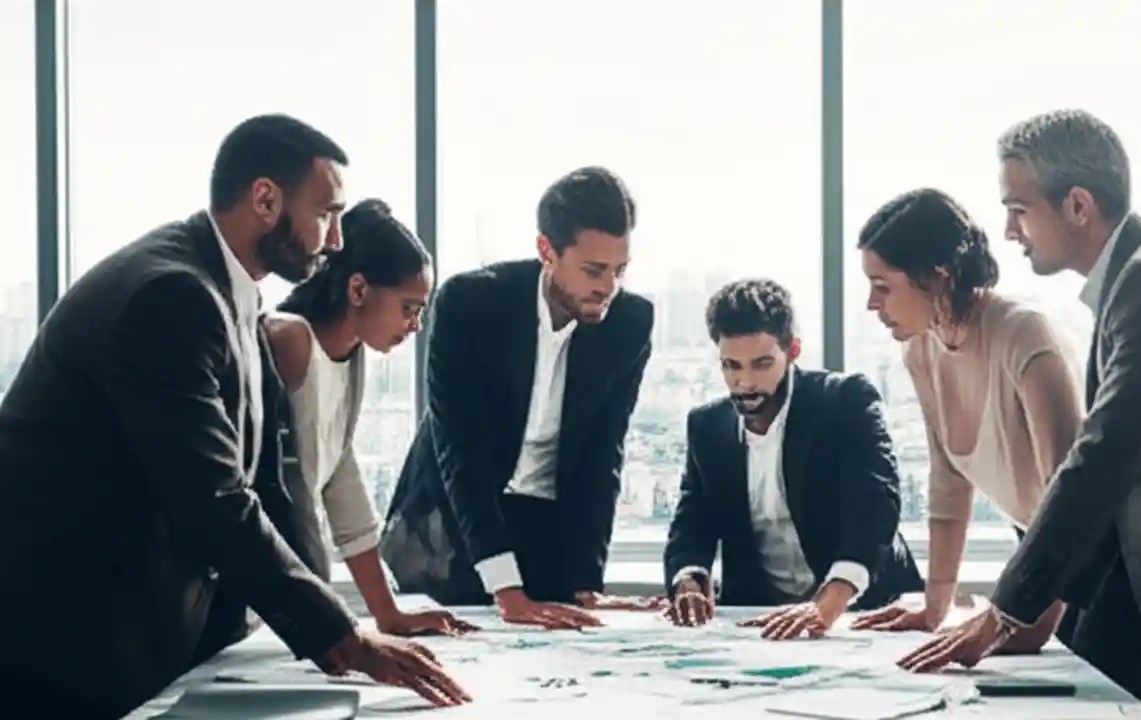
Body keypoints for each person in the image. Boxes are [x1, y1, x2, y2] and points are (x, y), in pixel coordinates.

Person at [0, 114, 469, 716]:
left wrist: (338, 629)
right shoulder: (171, 296)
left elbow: (274, 483)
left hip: (135, 618)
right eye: (327, 214)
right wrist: (343, 639)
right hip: (68, 626)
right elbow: (214, 499)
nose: (335, 240)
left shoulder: (231, 293)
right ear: (266, 198)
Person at [896, 109, 1141, 719]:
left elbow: (1101, 459)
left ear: (1077, 205)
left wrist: (1004, 610)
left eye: (1019, 209)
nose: (1008, 230)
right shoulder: (1140, 277)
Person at [380, 166, 658, 629]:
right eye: (593, 270)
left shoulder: (630, 323)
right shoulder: (471, 304)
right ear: (546, 250)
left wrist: (587, 583)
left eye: (619, 270)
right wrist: (506, 589)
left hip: (547, 530)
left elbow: (602, 456)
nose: (608, 287)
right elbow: (460, 451)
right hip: (448, 528)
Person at [849, 189, 1090, 661]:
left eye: (882, 286)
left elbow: (1069, 498)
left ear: (934, 277)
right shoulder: (922, 347)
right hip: (1044, 547)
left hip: (1103, 553)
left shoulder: (1025, 333)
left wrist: (1019, 619)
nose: (870, 305)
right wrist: (935, 607)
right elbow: (949, 480)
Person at [663, 278, 923, 639]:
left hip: (864, 612)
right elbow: (692, 520)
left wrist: (830, 601)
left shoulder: (846, 400)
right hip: (760, 622)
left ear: (793, 351)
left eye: (761, 363)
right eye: (731, 366)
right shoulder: (707, 426)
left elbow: (878, 503)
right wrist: (689, 577)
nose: (745, 382)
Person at [265, 198, 478, 639]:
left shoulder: (351, 354)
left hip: (284, 576)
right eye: (409, 308)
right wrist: (332, 628)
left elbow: (339, 474)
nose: (416, 325)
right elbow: (282, 495)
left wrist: (387, 614)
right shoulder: (291, 340)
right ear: (358, 290)